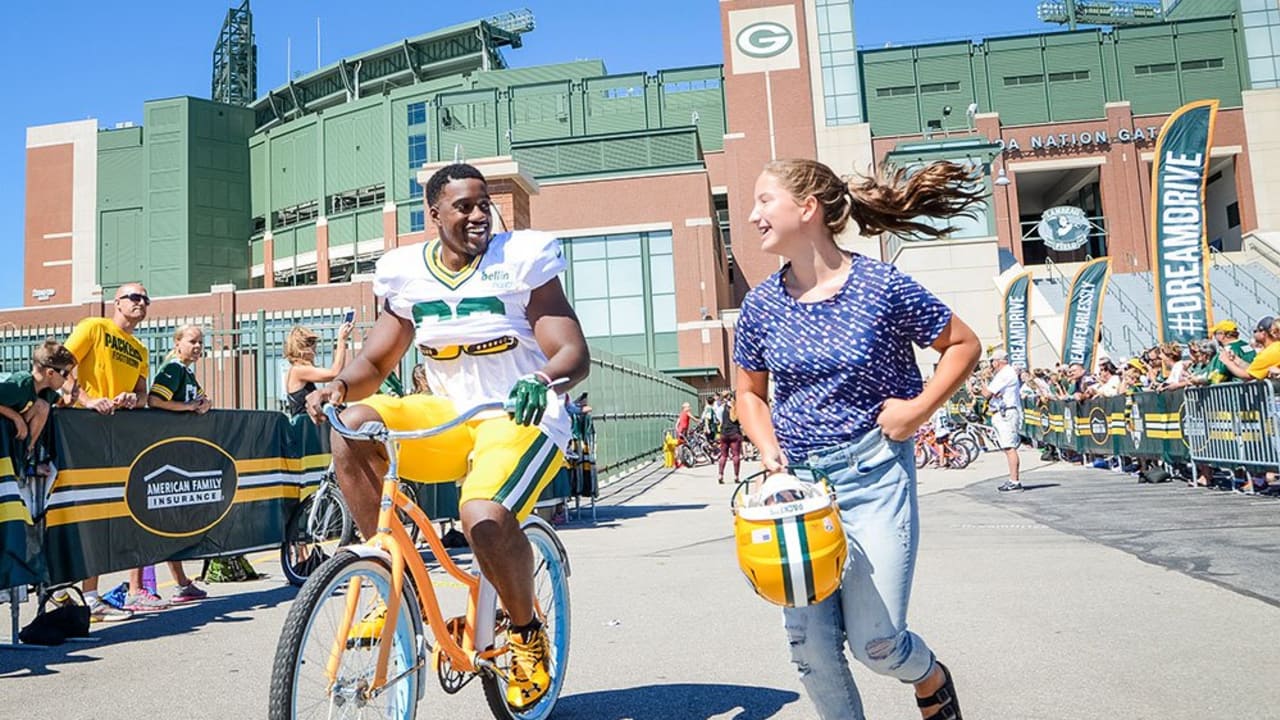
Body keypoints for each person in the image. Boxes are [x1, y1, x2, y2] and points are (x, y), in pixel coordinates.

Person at [306, 163, 589, 711]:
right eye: (464, 206)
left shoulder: (521, 259)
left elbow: (572, 352)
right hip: (448, 414)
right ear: (434, 214)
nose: (479, 214)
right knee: (356, 425)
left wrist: (542, 377)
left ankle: (526, 633)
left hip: (520, 414)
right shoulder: (405, 271)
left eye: (484, 204)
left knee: (481, 516)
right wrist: (338, 385)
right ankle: (391, 580)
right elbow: (376, 360)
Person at [733, 158, 982, 720]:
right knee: (812, 652)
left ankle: (931, 677)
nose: (752, 216)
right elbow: (748, 393)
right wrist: (769, 452)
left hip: (874, 475)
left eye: (764, 201)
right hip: (798, 491)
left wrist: (917, 411)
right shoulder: (760, 305)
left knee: (878, 644)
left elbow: (963, 344)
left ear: (807, 208)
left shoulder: (881, 286)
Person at [62, 283, 157, 620]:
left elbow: (144, 396)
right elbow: (58, 368)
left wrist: (133, 399)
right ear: (117, 302)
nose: (141, 302)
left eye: (146, 299)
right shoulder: (94, 327)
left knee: (101, 515)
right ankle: (66, 591)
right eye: (134, 297)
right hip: (79, 429)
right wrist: (88, 400)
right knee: (77, 514)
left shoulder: (140, 349)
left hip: (114, 436)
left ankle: (88, 596)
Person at [144, 323, 211, 603]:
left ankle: (182, 582)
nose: (197, 346)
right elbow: (154, 400)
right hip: (164, 451)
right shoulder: (172, 369)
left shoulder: (186, 372)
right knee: (160, 520)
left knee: (174, 519)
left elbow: (201, 399)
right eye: (192, 341)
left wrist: (203, 404)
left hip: (180, 452)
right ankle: (143, 586)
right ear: (177, 343)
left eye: (200, 342)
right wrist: (187, 407)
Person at [0, 339, 74, 462]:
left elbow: (61, 403)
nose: (66, 380)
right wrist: (16, 417)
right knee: (41, 406)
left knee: (42, 406)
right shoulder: (22, 385)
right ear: (50, 373)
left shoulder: (45, 391)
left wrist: (72, 397)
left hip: (12, 443)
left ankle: (26, 458)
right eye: (65, 374)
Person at [284, 323, 352, 417]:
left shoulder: (295, 370)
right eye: (311, 343)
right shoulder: (298, 370)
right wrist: (342, 340)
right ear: (302, 347)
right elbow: (334, 373)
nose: (315, 348)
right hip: (307, 422)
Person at [981, 350, 1024, 492]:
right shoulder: (1006, 374)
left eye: (992, 361)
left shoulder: (1005, 373)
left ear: (997, 361)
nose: (991, 365)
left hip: (1006, 414)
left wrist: (983, 381)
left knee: (1009, 447)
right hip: (1003, 412)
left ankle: (1015, 481)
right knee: (1007, 447)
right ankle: (1013, 479)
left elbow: (987, 393)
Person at [716, 394, 743, 485]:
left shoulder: (721, 408)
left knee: (723, 456)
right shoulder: (738, 408)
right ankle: (736, 476)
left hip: (724, 433)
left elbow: (719, 420)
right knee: (736, 455)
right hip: (735, 433)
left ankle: (720, 475)